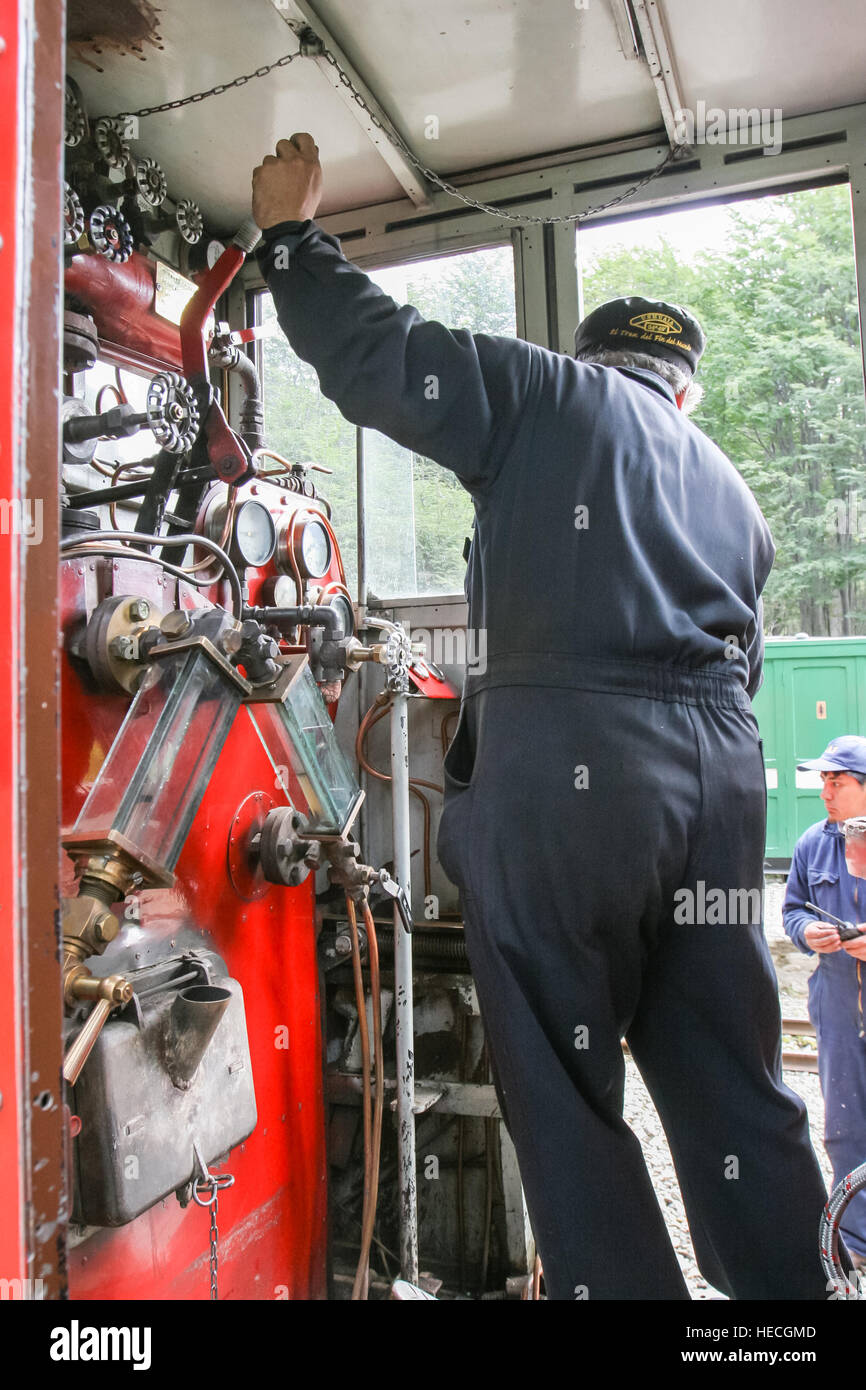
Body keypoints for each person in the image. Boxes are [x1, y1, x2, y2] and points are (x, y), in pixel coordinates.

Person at [251, 133, 835, 1299]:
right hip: (718, 776)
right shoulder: (731, 491)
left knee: (564, 1088)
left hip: (572, 767)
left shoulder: (540, 393)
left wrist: (288, 241)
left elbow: (381, 358)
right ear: (685, 388)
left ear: (590, 357)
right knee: (732, 1075)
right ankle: (786, 1307)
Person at [783, 736, 866, 1269]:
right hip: (836, 998)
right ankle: (857, 1245)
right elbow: (791, 909)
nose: (826, 793)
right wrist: (807, 931)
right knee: (844, 1123)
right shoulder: (813, 844)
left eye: (837, 783)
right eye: (823, 782)